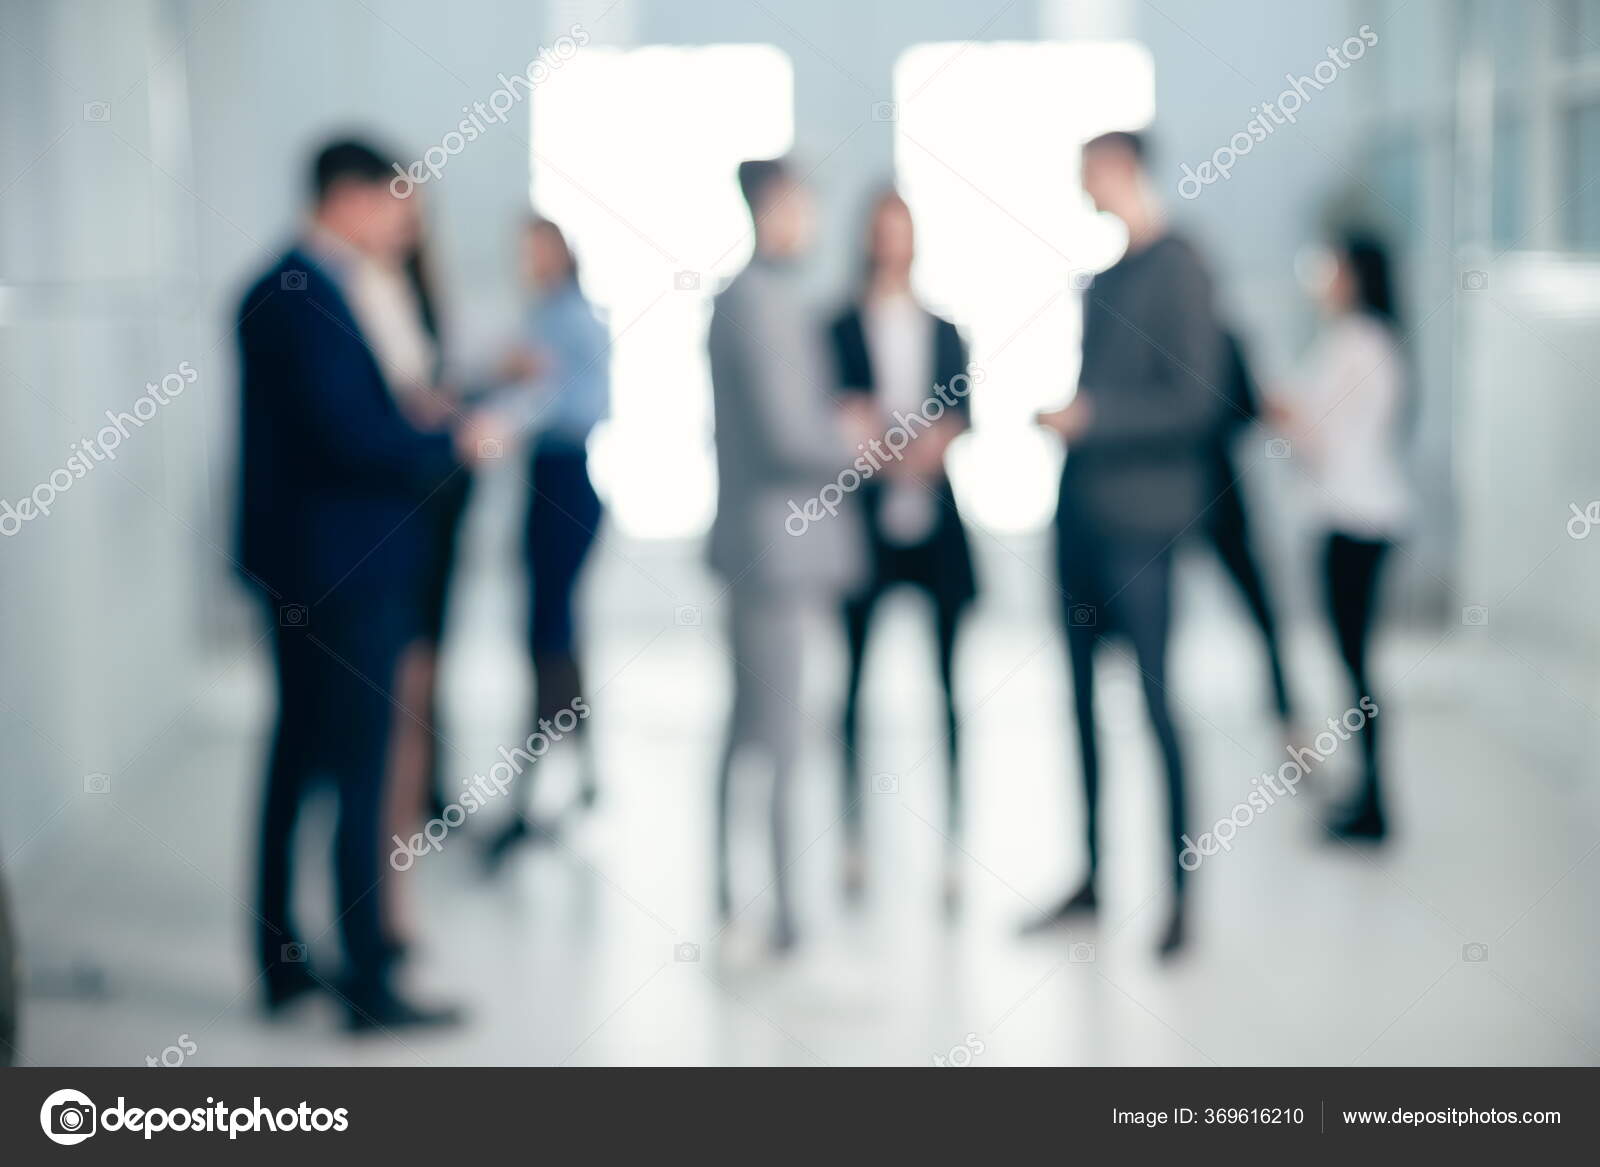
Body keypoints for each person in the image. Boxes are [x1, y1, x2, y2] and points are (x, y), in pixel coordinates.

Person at [236, 138, 500, 1030]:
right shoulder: (295, 292)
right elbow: (347, 434)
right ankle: (367, 979)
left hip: (338, 557)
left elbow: (361, 415)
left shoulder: (327, 284)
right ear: (346, 197)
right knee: (353, 762)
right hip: (338, 564)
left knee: (304, 752)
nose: (408, 220)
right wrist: (450, 442)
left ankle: (286, 959)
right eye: (396, 201)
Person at [1032, 130, 1223, 957]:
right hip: (1079, 517)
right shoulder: (1106, 276)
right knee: (1079, 706)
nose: (1084, 192)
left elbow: (1197, 403)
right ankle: (1093, 875)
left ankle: (1180, 895)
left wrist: (1096, 419)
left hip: (1144, 525)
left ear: (1125, 171)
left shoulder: (1181, 265)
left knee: (1155, 704)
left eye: (1091, 177)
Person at [707, 158, 868, 952]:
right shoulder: (759, 303)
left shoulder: (761, 299)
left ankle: (735, 894)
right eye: (802, 208)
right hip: (776, 545)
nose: (810, 224)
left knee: (749, 725)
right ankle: (783, 914)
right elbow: (786, 436)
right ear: (773, 209)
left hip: (766, 544)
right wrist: (859, 438)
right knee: (779, 733)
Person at [828, 189, 977, 910]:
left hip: (937, 527)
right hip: (862, 527)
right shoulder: (838, 326)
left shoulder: (945, 329)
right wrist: (884, 453)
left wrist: (925, 449)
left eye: (903, 231)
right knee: (850, 685)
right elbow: (839, 413)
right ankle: (852, 836)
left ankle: (953, 842)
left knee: (950, 687)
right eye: (881, 230)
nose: (893, 243)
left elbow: (961, 414)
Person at [1268, 232, 1410, 841]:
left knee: (1355, 666)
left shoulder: (1356, 341)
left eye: (1330, 267)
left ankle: (1372, 803)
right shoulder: (1376, 340)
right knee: (1355, 665)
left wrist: (1277, 411)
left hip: (1354, 518)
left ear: (1353, 275)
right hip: (1365, 516)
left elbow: (1318, 437)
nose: (1321, 279)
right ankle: (1368, 795)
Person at [485, 216, 610, 866]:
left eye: (539, 250)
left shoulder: (576, 320)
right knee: (553, 638)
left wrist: (532, 384)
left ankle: (531, 794)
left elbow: (590, 407)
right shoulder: (537, 316)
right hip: (541, 487)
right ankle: (584, 778)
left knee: (549, 638)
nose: (529, 261)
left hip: (567, 486)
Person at [1200, 328, 1296, 732]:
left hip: (1219, 495)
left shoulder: (1221, 338)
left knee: (1264, 615)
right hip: (1165, 501)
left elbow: (1246, 409)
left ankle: (1288, 722)